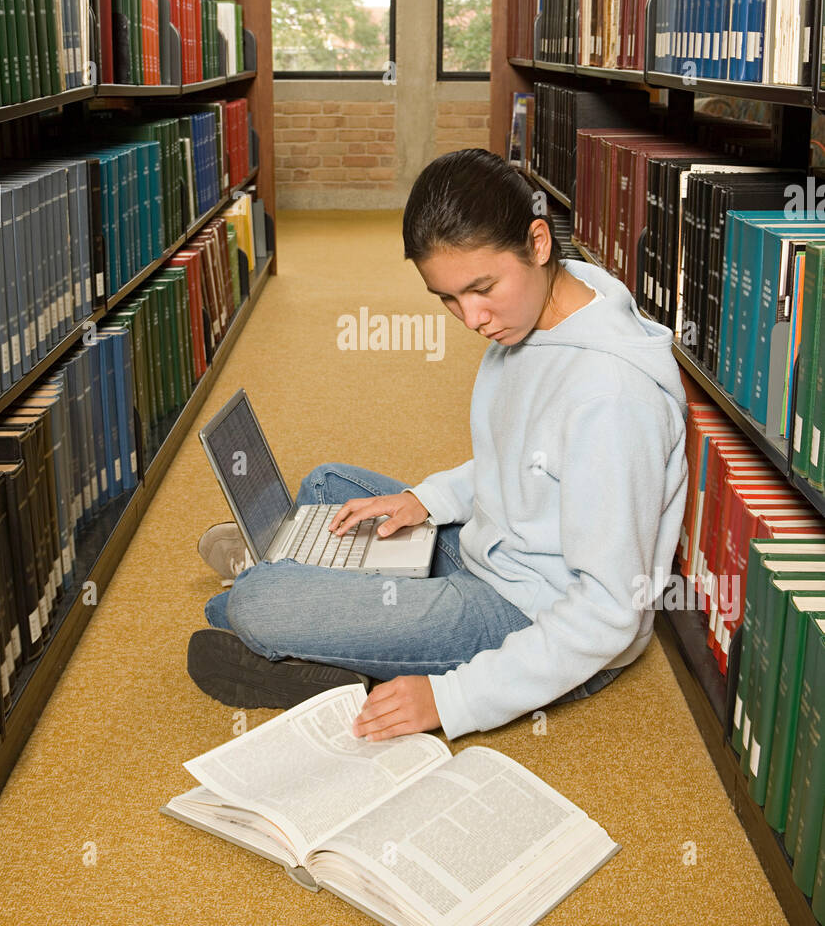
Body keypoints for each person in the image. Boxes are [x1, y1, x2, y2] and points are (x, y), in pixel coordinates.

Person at [187, 147, 689, 743]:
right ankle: (319, 598)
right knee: (329, 484)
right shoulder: (541, 308)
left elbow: (607, 612)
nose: (471, 318)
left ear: (538, 242)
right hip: (494, 552)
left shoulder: (611, 398)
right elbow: (525, 463)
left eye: (482, 288)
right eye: (448, 299)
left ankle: (297, 618)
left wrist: (452, 700)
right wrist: (426, 500)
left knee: (256, 605)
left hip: (532, 614)